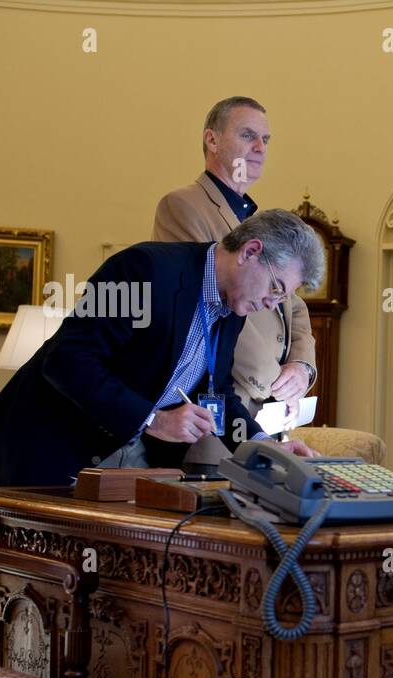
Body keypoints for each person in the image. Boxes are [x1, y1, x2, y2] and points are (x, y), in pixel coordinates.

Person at [0, 210, 323, 486]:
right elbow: (69, 360)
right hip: (47, 449)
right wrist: (154, 419)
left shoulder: (234, 306)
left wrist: (266, 447)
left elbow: (218, 394)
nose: (271, 302)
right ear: (250, 251)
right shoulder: (144, 270)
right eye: (276, 288)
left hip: (125, 459)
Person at [153, 96, 316, 468]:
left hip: (266, 419)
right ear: (212, 140)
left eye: (266, 140)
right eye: (248, 135)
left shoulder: (256, 221)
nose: (259, 147)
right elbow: (207, 312)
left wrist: (301, 367)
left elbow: (297, 308)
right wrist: (267, 383)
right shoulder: (183, 206)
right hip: (215, 421)